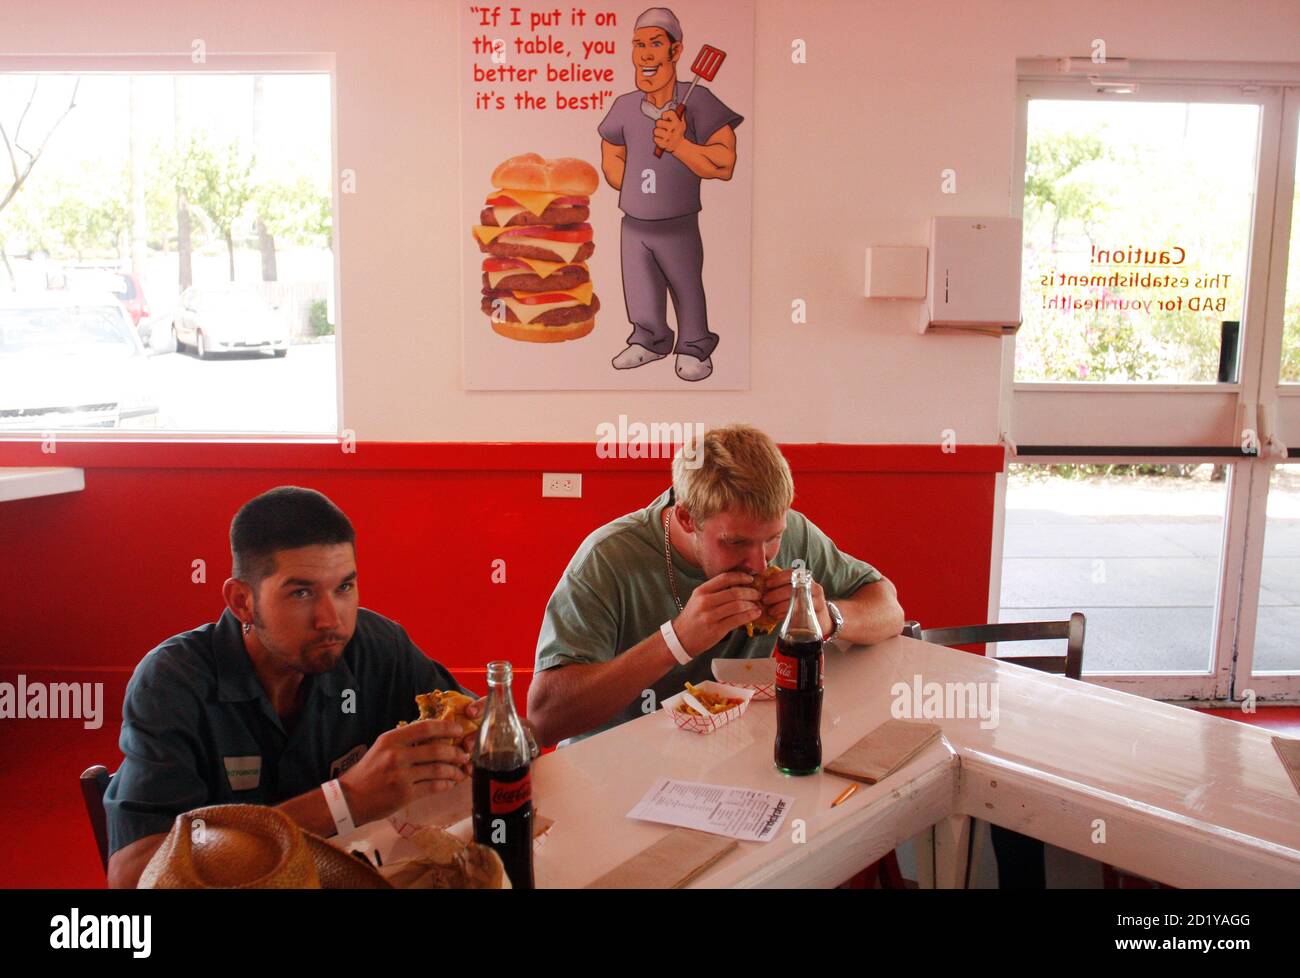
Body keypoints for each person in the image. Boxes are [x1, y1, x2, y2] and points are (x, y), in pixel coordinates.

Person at [105, 487, 483, 888]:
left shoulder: (375, 645)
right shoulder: (173, 682)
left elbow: (504, 728)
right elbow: (135, 876)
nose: (331, 619)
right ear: (242, 601)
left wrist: (487, 740)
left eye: (344, 588)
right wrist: (345, 801)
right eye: (301, 592)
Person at [527, 424, 905, 745]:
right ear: (688, 518)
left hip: (741, 753)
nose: (761, 561)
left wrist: (829, 619)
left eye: (772, 537)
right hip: (620, 770)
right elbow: (545, 719)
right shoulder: (607, 559)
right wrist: (675, 642)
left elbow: (889, 607)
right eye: (736, 542)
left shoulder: (794, 535)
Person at [598, 7, 744, 382]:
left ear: (676, 52)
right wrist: (626, 181)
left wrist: (680, 145)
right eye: (639, 45)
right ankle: (650, 340)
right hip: (634, 223)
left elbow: (724, 163)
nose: (646, 54)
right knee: (639, 285)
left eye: (656, 44)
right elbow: (612, 150)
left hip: (678, 223)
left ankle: (695, 346)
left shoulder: (700, 101)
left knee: (685, 284)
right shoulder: (625, 106)